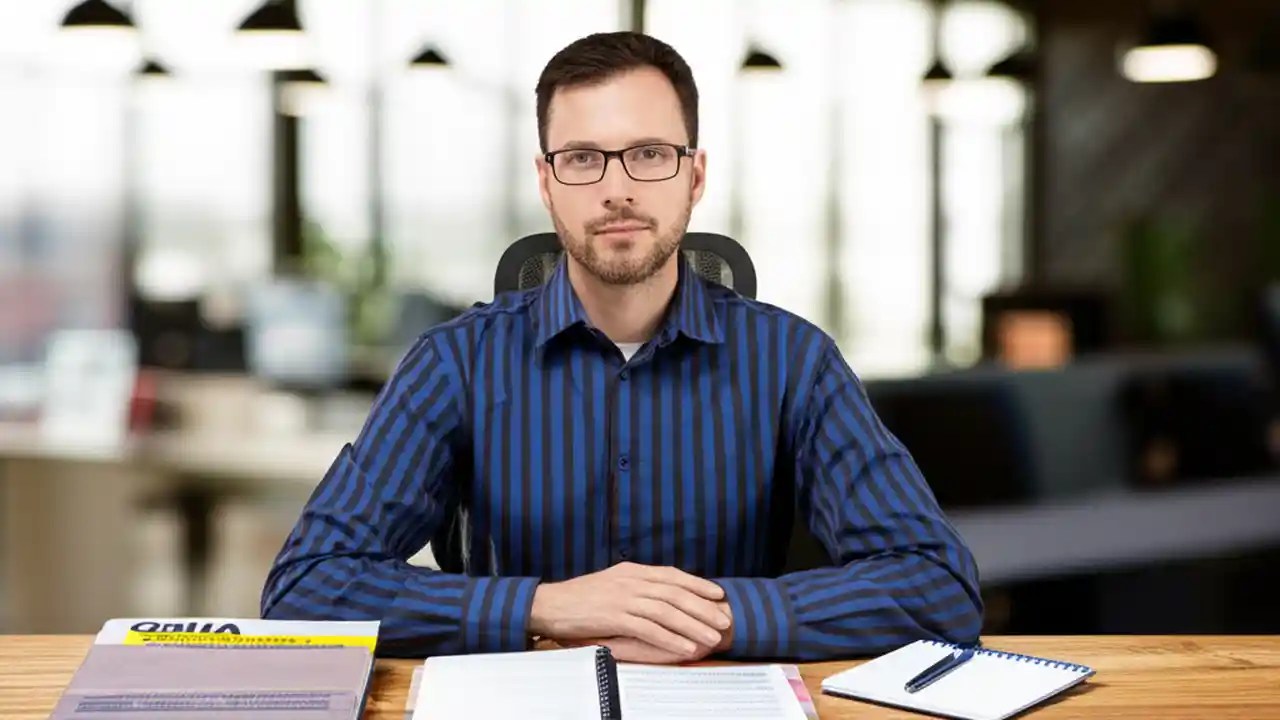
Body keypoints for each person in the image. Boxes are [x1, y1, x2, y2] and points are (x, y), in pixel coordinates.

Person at [261, 30, 983, 664]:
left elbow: (938, 586)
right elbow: (306, 586)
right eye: (582, 158)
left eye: (649, 154)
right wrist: (544, 607)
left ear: (694, 176)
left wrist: (715, 619)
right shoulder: (456, 362)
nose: (617, 189)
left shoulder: (793, 361)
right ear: (547, 183)